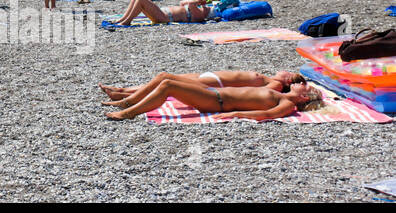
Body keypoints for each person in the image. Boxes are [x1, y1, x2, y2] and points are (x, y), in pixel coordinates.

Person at [104, 75, 323, 121]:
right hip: (213, 95)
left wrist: (237, 114)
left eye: (302, 86)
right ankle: (127, 102)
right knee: (165, 79)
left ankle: (128, 111)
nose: (298, 84)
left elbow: (265, 114)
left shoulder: (286, 104)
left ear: (304, 98)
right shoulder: (281, 94)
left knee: (168, 85)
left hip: (215, 102)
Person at [100, 70, 304, 106]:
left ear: (288, 81)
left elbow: (270, 96)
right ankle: (123, 91)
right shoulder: (271, 79)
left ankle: (127, 98)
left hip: (214, 84)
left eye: (288, 74)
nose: (284, 71)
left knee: (165, 79)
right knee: (162, 79)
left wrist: (298, 89)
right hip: (212, 78)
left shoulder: (275, 84)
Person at [107, 0, 210, 26]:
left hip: (165, 17)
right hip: (163, 13)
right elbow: (182, 2)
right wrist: (197, 2)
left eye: (207, 8)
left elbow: (191, 4)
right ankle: (122, 19)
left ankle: (127, 21)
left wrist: (198, 1)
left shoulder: (200, 16)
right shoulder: (197, 10)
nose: (205, 7)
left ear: (208, 13)